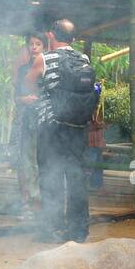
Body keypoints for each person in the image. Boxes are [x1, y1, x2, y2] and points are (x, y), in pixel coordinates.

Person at [35, 19, 97, 243]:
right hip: (77, 128)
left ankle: (51, 229)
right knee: (76, 177)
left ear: (51, 35)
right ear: (73, 39)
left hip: (51, 128)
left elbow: (26, 85)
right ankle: (78, 230)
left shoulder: (44, 59)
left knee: (50, 176)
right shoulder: (83, 59)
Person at [11, 32, 45, 211]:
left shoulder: (49, 68)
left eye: (38, 44)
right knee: (24, 160)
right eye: (31, 44)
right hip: (25, 120)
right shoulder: (23, 70)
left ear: (44, 47)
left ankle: (40, 200)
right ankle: (25, 198)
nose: (34, 47)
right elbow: (16, 98)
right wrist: (25, 100)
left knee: (41, 161)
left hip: (44, 122)